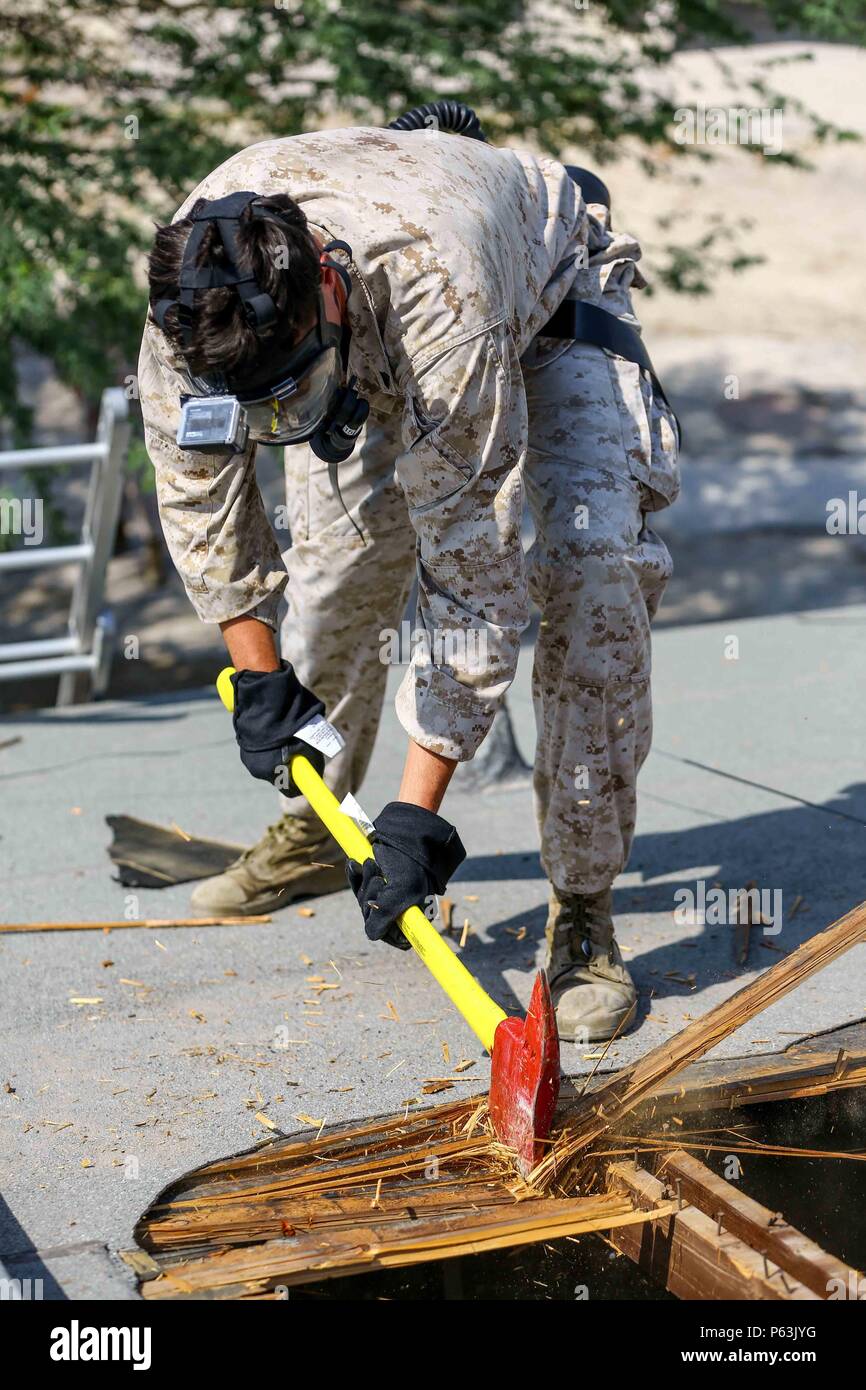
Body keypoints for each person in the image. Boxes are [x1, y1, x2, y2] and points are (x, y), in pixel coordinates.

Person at [138, 116, 680, 1042]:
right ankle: (320, 825)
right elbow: (202, 503)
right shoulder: (192, 310)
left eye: (290, 403)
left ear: (330, 296)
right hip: (361, 348)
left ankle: (583, 908)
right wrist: (260, 681)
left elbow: (473, 578)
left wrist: (416, 816)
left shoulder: (445, 301)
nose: (281, 425)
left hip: (542, 309)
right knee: (340, 572)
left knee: (593, 579)